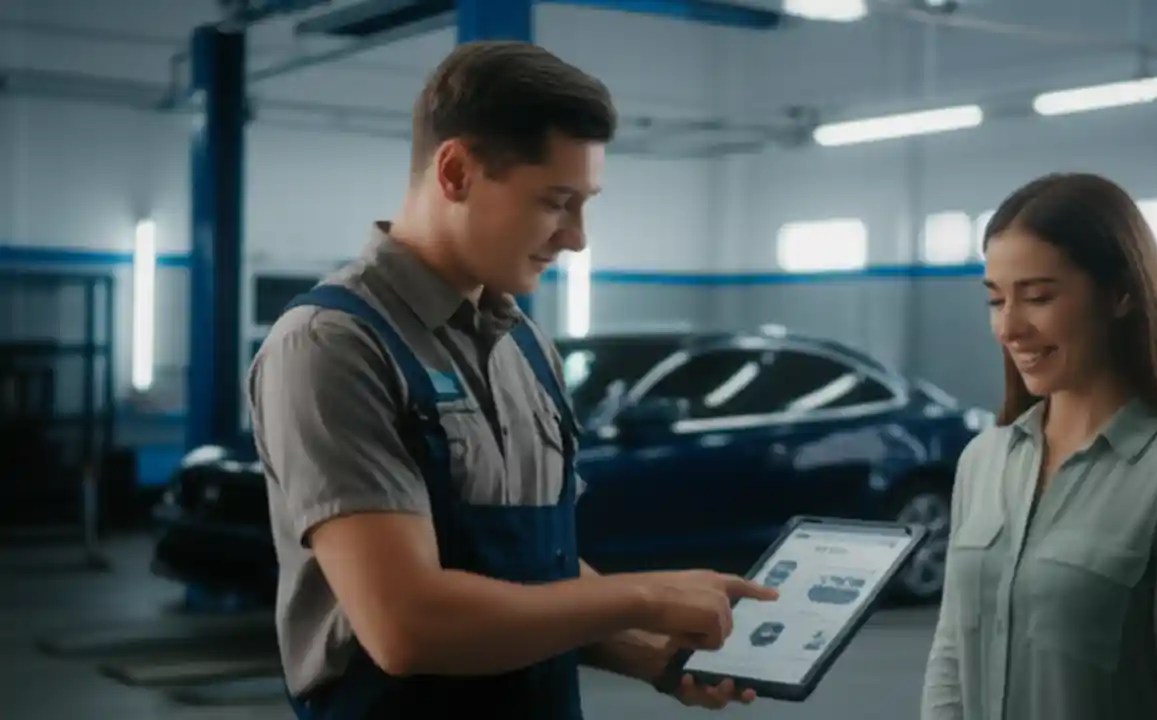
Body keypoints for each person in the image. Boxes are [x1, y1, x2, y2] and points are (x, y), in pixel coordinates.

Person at [248, 41, 777, 720]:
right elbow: (406, 625)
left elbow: (537, 571)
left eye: (585, 204)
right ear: (457, 171)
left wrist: (652, 655)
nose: (577, 238)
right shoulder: (334, 345)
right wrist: (643, 596)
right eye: (557, 201)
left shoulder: (523, 344)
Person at [921, 173, 1157, 720]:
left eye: (1038, 297)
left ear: (1121, 292)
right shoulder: (984, 461)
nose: (1010, 327)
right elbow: (951, 659)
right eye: (996, 300)